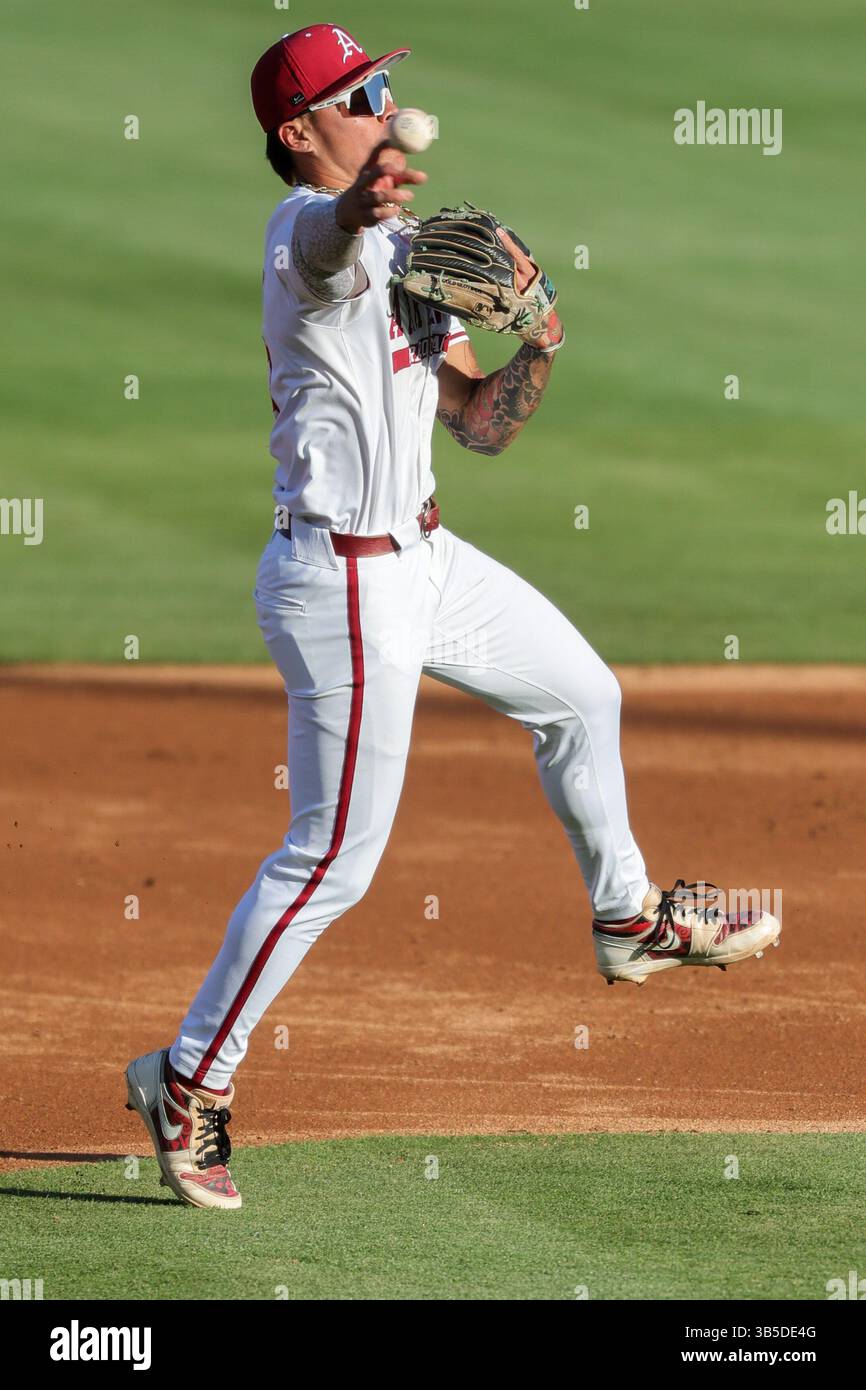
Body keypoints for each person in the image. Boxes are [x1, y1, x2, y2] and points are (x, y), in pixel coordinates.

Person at [125, 24, 780, 1210]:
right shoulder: (301, 240)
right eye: (358, 94)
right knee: (332, 860)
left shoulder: (417, 249)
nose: (386, 104)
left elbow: (477, 425)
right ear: (299, 132)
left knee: (584, 695)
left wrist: (542, 335)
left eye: (385, 87)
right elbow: (331, 246)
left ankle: (626, 920)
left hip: (426, 559)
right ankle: (187, 1082)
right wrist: (360, 202)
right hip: (343, 587)